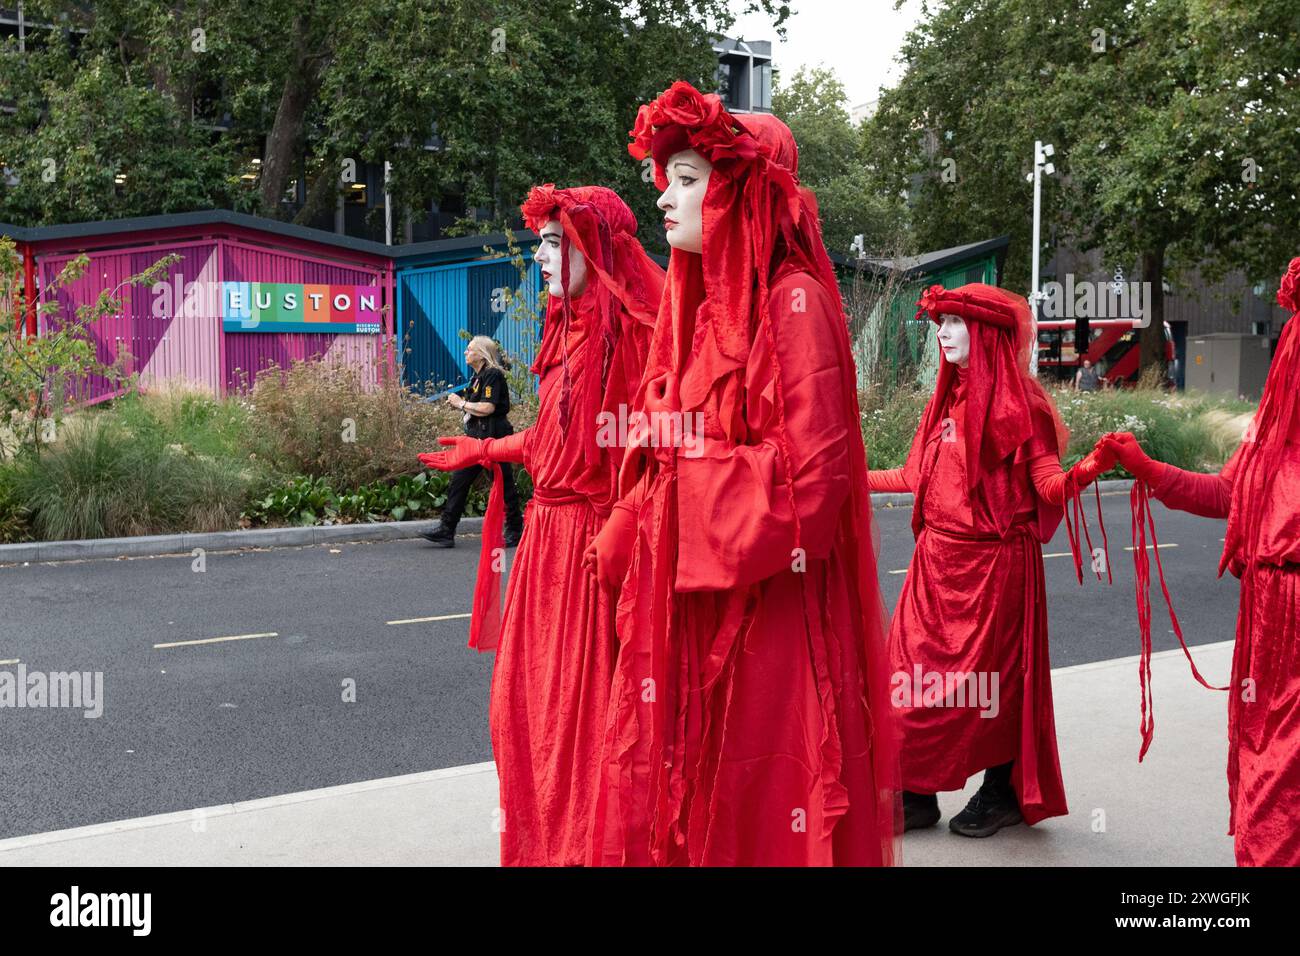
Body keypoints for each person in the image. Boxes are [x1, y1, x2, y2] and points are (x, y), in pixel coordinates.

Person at [585, 82, 901, 866]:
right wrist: (628, 524)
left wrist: (675, 485)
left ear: (741, 191)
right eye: (665, 179)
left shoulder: (796, 305)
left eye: (688, 179)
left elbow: (814, 490)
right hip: (692, 612)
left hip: (774, 620)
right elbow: (661, 443)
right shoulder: (693, 311)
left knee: (762, 807)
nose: (665, 198)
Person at [418, 185, 663, 865]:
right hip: (545, 544)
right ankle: (550, 844)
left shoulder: (634, 338)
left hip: (592, 546)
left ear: (599, 247)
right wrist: (486, 448)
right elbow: (554, 439)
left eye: (559, 242)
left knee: (584, 718)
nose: (544, 257)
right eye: (541, 243)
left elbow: (663, 450)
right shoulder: (566, 329)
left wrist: (623, 516)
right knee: (526, 709)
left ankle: (590, 848)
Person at [867, 282, 1114, 838]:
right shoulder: (945, 400)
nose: (942, 334)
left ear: (987, 334)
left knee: (993, 689)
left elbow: (1047, 485)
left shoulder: (1023, 407)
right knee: (909, 683)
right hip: (933, 568)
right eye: (939, 324)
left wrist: (1091, 467)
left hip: (994, 571)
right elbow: (911, 477)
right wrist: (845, 475)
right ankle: (916, 791)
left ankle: (1000, 791)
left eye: (954, 324)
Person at [1098, 256, 1300, 866]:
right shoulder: (1270, 435)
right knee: (1268, 775)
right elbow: (1223, 496)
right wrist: (1148, 469)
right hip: (1268, 623)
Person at [419, 335, 524, 548]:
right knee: (459, 481)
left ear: (482, 354)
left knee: (503, 484)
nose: (466, 352)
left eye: (470, 349)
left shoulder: (493, 375)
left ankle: (515, 529)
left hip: (495, 440)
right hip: (476, 440)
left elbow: (488, 407)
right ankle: (447, 529)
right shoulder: (476, 378)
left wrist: (460, 403)